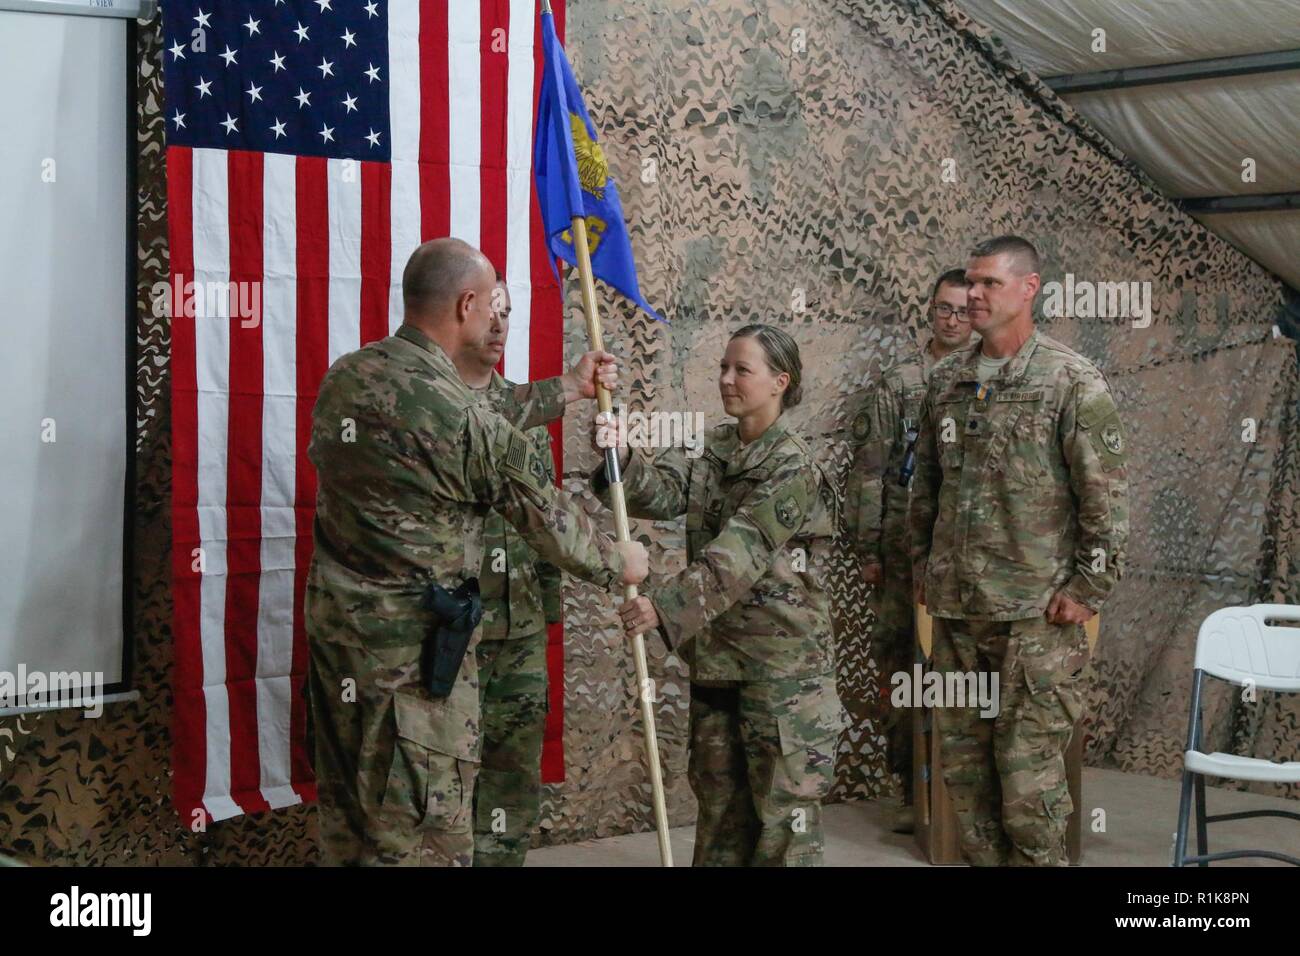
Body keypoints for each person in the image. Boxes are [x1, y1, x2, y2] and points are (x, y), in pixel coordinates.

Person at [306, 237, 648, 867]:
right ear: (466, 304)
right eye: (491, 304)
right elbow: (544, 517)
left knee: (350, 821)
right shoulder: (454, 413)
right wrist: (619, 559)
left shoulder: (346, 377)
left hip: (340, 653)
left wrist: (566, 388)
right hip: (414, 668)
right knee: (422, 836)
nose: (497, 319)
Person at [908, 235, 1128, 866]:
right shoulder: (948, 382)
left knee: (1029, 798)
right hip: (958, 615)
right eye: (969, 283)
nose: (972, 295)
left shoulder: (1069, 381)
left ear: (1028, 289)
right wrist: (924, 569)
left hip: (1036, 618)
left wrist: (1087, 590)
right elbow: (926, 485)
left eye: (988, 284)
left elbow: (1106, 496)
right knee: (967, 786)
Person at [598, 324, 844, 866]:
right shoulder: (712, 446)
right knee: (720, 819)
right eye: (723, 369)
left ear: (781, 381)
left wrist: (661, 608)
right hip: (718, 662)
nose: (727, 380)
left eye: (742, 370)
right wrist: (619, 456)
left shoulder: (794, 467)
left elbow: (739, 555)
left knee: (784, 823)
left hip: (781, 674)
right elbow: (659, 492)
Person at [845, 268, 973, 833]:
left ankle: (963, 790)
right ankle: (906, 785)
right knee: (902, 666)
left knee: (965, 668)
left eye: (963, 310)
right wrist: (868, 546)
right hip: (901, 546)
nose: (952, 320)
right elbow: (871, 470)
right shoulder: (900, 382)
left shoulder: (988, 378)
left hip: (966, 547)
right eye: (943, 309)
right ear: (929, 311)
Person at [450, 275, 561, 867]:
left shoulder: (527, 412)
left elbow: (547, 521)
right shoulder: (432, 409)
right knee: (441, 777)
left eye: (508, 315)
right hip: (451, 634)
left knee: (513, 777)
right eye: (490, 313)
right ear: (458, 315)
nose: (499, 326)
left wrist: (547, 607)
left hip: (518, 629)